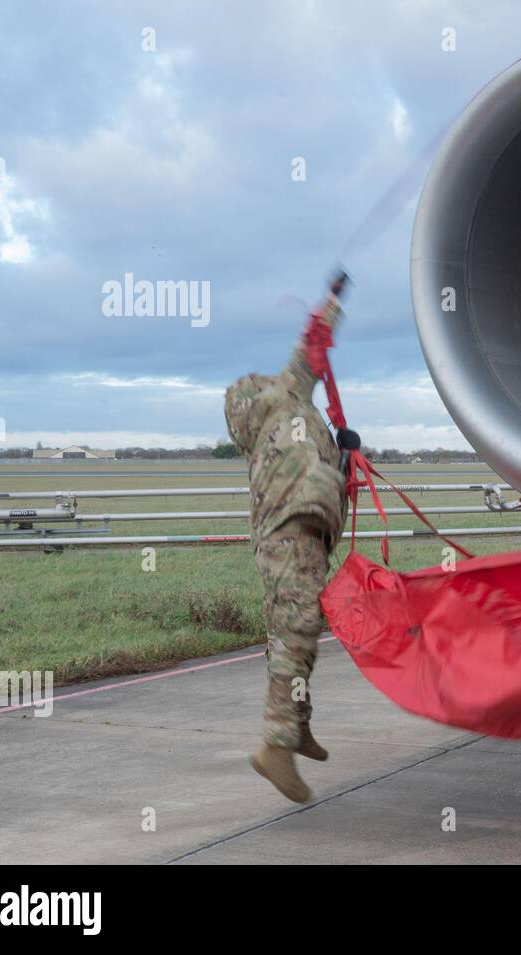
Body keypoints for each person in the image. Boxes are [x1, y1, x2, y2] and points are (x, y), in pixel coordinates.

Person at [223, 274, 353, 803]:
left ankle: (295, 727)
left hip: (305, 533)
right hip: (292, 535)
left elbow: (313, 349)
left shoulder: (285, 412)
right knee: (294, 633)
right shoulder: (284, 400)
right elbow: (310, 347)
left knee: (300, 631)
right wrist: (331, 303)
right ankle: (275, 747)